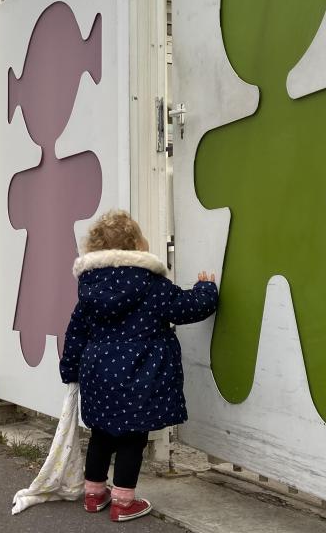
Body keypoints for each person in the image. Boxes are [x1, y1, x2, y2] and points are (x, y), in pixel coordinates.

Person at [59, 210, 219, 522]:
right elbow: (187, 308)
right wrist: (206, 290)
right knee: (133, 436)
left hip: (98, 374)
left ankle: (93, 493)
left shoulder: (89, 290)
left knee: (102, 434)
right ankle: (123, 501)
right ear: (137, 244)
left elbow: (75, 332)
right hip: (139, 372)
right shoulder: (151, 285)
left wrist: (69, 369)